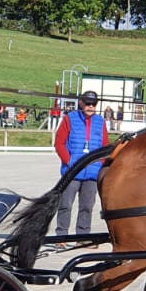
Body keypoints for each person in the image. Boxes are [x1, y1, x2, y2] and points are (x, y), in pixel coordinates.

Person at [53, 91, 108, 238]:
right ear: (81, 103)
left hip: (92, 172)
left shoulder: (100, 121)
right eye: (87, 103)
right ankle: (61, 235)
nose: (90, 106)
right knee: (66, 205)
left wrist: (100, 164)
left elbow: (105, 146)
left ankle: (82, 236)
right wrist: (69, 161)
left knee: (87, 206)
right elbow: (59, 143)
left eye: (93, 104)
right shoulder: (69, 119)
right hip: (72, 171)